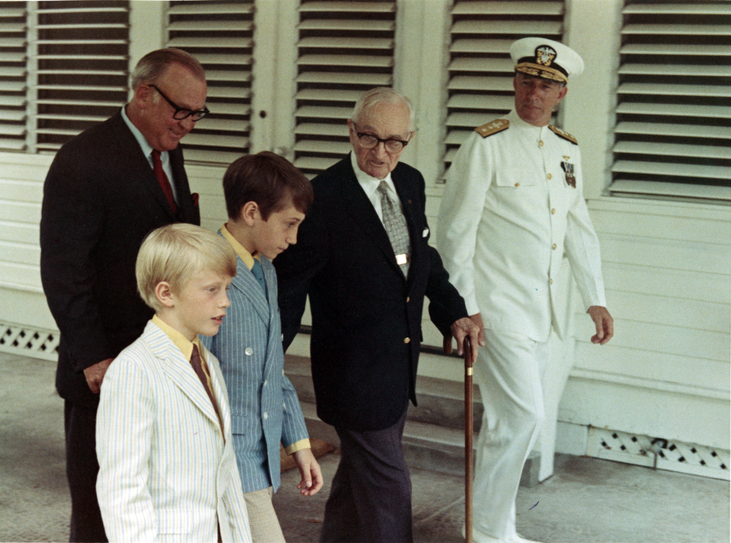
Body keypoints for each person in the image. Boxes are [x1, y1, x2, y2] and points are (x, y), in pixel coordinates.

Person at [274, 87, 480, 543]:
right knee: (389, 487)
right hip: (352, 375)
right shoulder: (320, 198)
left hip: (398, 366)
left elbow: (422, 257)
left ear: (409, 139)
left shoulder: (410, 182)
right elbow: (289, 289)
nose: (381, 152)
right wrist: (266, 361)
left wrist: (453, 312)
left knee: (359, 476)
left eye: (394, 142)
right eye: (369, 137)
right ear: (351, 131)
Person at [437, 37, 615, 543]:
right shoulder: (486, 144)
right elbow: (455, 232)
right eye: (527, 82)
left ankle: (493, 526)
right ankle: (488, 531)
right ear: (515, 83)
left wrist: (595, 297)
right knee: (521, 416)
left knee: (511, 423)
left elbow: (578, 227)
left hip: (547, 313)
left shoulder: (567, 150)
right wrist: (465, 307)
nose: (535, 93)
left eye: (546, 86)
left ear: (561, 94)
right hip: (497, 309)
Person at [39, 48, 207, 541]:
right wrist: (93, 357)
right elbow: (64, 269)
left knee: (151, 505)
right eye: (182, 111)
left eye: (198, 114)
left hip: (163, 359)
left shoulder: (168, 150)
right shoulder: (82, 158)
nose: (189, 125)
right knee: (101, 510)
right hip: (106, 369)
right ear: (144, 93)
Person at [95, 224, 252, 543]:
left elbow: (226, 475)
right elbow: (122, 488)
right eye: (212, 289)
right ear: (166, 293)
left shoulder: (208, 363)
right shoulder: (134, 370)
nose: (225, 301)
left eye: (227, 289)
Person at [200, 151, 322, 542]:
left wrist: (299, 445)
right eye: (289, 224)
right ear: (252, 212)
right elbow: (192, 378)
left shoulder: (266, 270)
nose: (293, 238)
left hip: (261, 454)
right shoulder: (203, 272)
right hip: (224, 459)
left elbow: (272, 371)